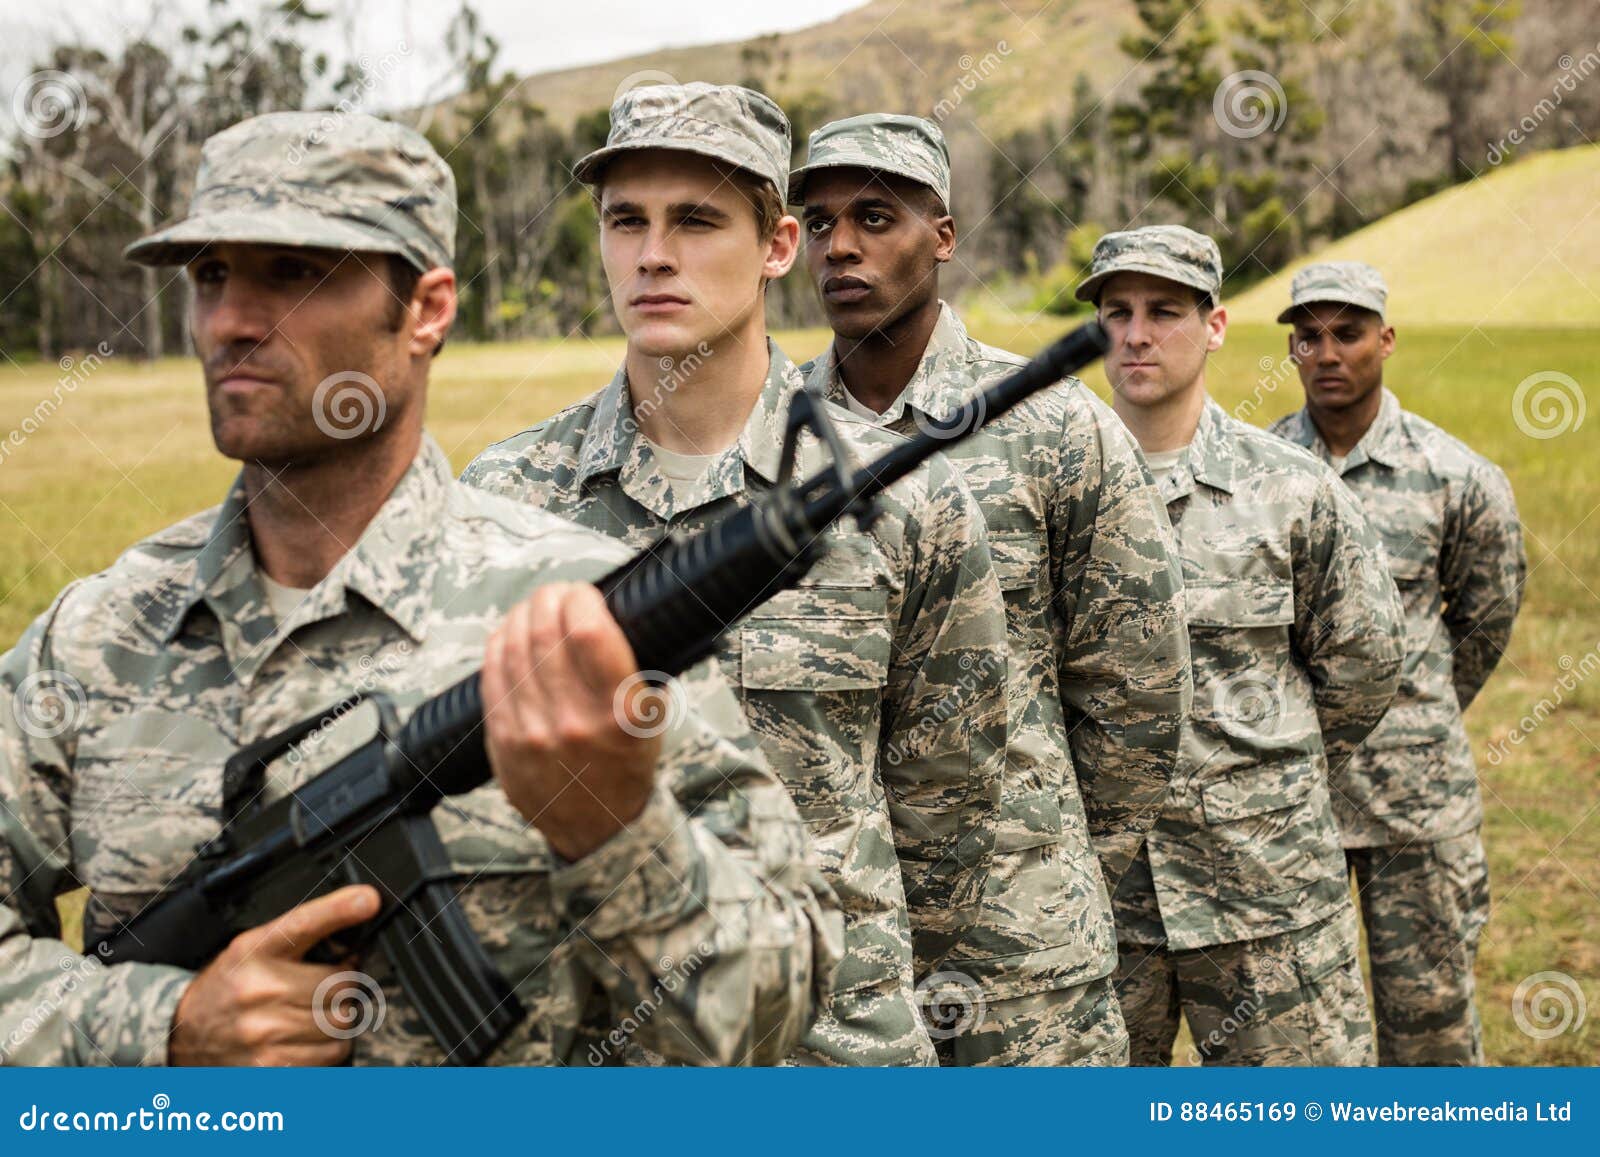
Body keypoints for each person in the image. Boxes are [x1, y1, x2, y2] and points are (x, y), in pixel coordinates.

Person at [0, 111, 840, 1067]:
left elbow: (777, 1007)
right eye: (212, 277)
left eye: (292, 273)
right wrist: (159, 1030)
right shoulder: (98, 634)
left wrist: (621, 832)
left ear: (428, 309)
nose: (233, 320)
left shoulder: (580, 612)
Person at [461, 85, 1010, 1066]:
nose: (653, 254)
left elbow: (950, 810)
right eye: (625, 219)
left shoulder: (897, 498)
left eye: (697, 219)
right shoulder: (500, 503)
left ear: (778, 245)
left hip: (833, 1054)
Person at [792, 113, 1192, 1065]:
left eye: (876, 217)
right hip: (833, 956)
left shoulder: (1055, 425)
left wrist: (1052, 856)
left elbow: (1138, 681)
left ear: (944, 236)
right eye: (818, 223)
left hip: (1024, 953)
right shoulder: (776, 442)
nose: (841, 245)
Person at [1083, 226, 1404, 1064]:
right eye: (1117, 313)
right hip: (1102, 902)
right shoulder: (1057, 493)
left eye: (1165, 311)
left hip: (1268, 897)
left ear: (1216, 325)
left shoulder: (1292, 488)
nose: (1137, 335)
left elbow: (1363, 665)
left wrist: (1262, 778)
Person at [1271, 261, 1527, 1065]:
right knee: (1302, 1040)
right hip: (1290, 800)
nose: (1327, 353)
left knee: (1432, 1028)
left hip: (1417, 806)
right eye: (1308, 336)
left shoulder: (1457, 477)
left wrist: (1416, 713)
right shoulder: (1261, 468)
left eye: (1347, 333)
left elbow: (1484, 620)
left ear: (1386, 339)